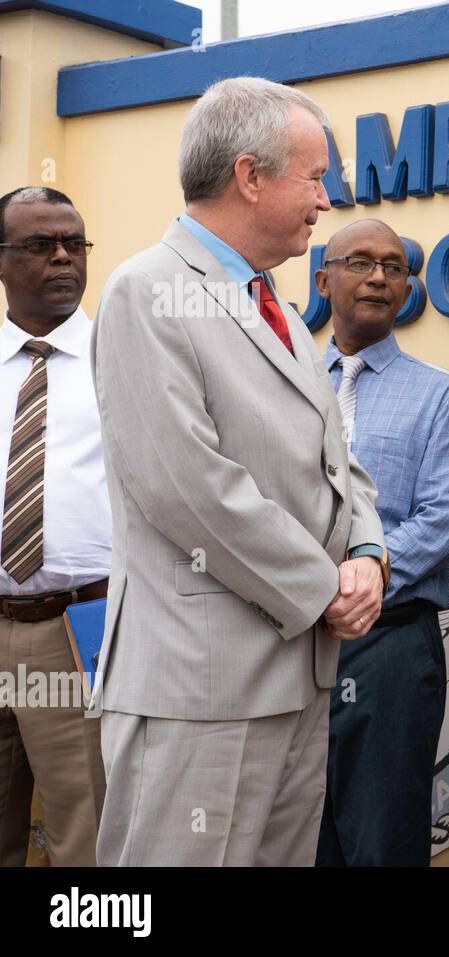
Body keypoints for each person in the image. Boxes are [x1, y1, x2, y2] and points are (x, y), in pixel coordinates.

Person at [90, 76, 386, 867]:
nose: (328, 201)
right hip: (201, 689)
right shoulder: (145, 292)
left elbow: (338, 461)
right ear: (251, 176)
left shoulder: (278, 308)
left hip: (296, 679)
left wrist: (368, 555)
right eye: (315, 176)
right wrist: (327, 589)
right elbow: (189, 488)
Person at [312, 219, 449, 866]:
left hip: (389, 646)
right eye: (360, 262)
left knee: (381, 840)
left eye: (394, 266)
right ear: (323, 279)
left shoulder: (437, 394)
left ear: (408, 287)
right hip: (287, 640)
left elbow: (442, 521)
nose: (379, 276)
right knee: (296, 835)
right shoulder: (288, 384)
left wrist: (354, 579)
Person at [0, 187, 107, 866]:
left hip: (79, 628)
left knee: (87, 837)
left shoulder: (124, 357)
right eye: (41, 245)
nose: (63, 256)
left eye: (74, 242)